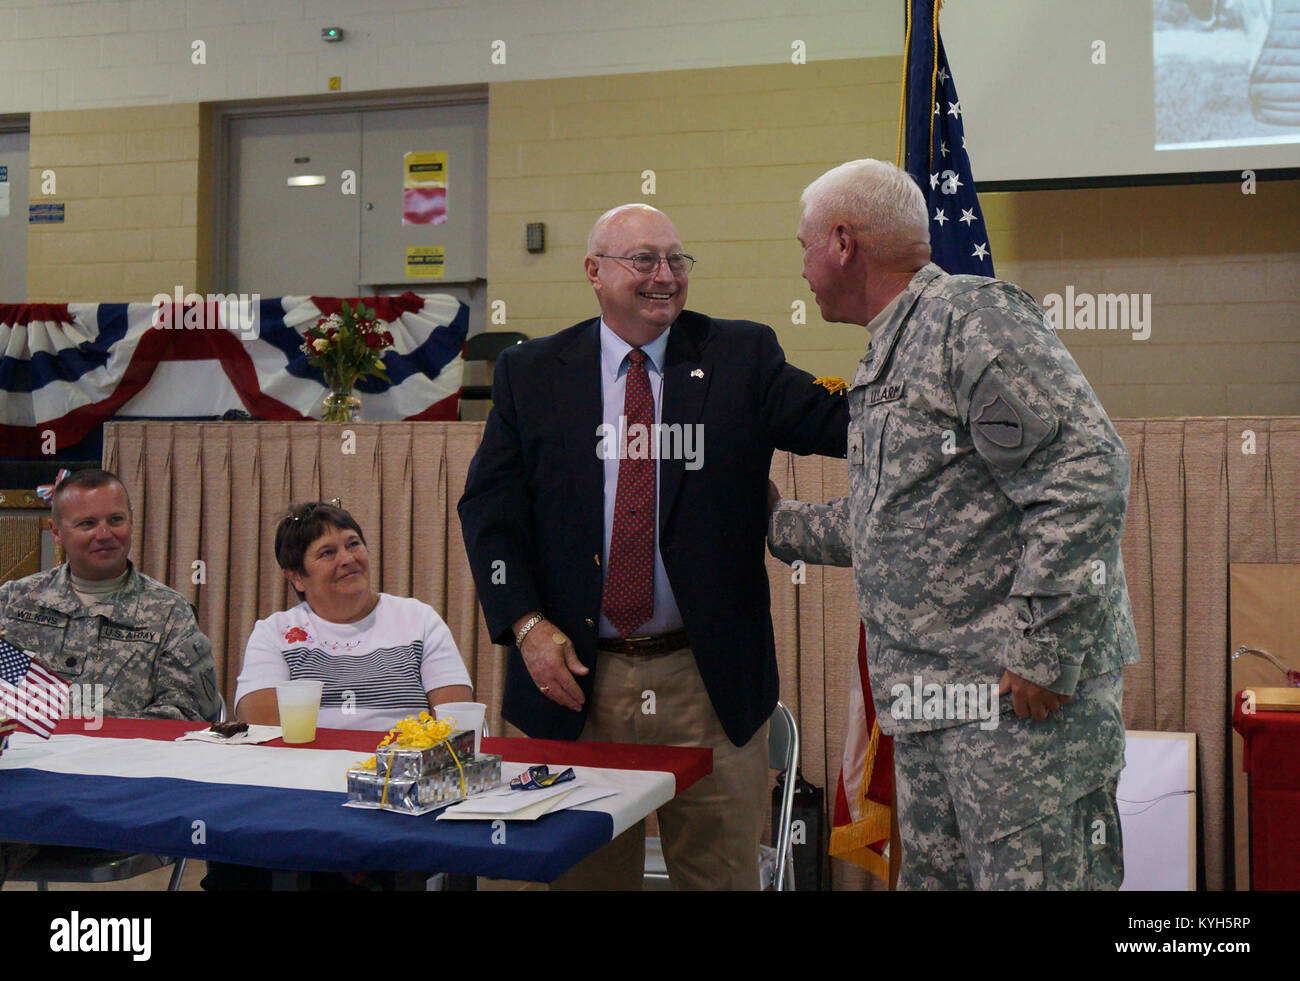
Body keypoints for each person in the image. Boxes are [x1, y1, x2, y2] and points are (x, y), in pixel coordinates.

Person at [768, 159, 1139, 890]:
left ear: (843, 242)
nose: (803, 268)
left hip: (1017, 710)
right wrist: (776, 524)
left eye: (803, 245)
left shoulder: (970, 318)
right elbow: (892, 523)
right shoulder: (891, 348)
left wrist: (1043, 644)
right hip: (931, 708)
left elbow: (1087, 470)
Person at [458, 203, 848, 890]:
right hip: (573, 680)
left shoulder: (741, 355)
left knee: (721, 876)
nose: (664, 276)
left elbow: (834, 421)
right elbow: (491, 510)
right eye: (644, 260)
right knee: (580, 879)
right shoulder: (533, 372)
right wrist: (525, 624)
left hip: (707, 681)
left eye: (676, 260)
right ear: (594, 271)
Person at [0, 468, 219, 722]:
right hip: (25, 754)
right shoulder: (12, 602)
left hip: (128, 757)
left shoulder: (170, 612)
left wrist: (103, 742)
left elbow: (185, 712)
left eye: (115, 520)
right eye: (88, 524)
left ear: (131, 522)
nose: (104, 535)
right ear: (57, 532)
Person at [235, 501, 472, 729]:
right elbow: (262, 729)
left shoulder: (419, 619)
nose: (348, 559)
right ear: (296, 577)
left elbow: (455, 723)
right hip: (305, 766)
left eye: (353, 544)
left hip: (402, 766)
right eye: (328, 553)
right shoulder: (274, 633)